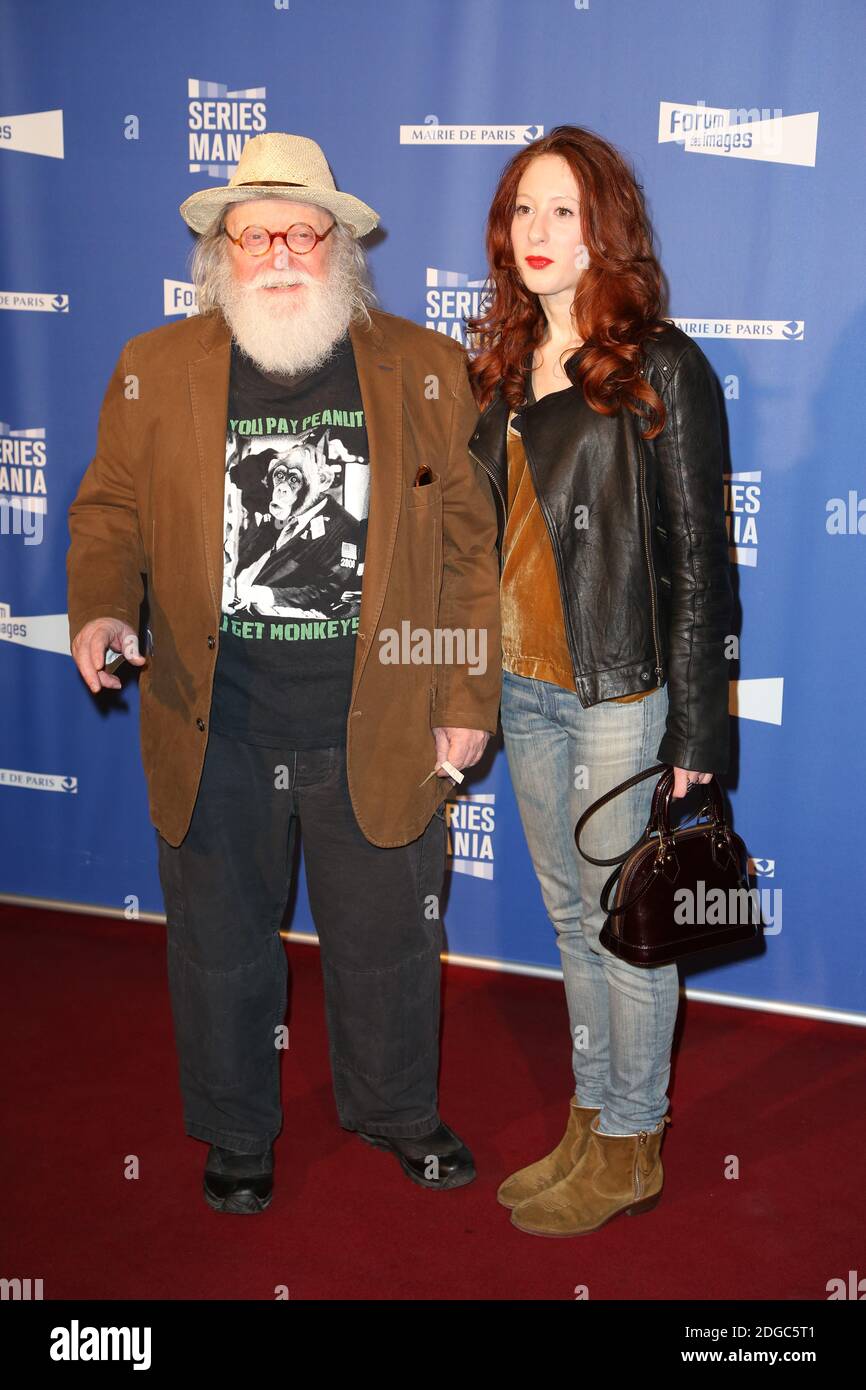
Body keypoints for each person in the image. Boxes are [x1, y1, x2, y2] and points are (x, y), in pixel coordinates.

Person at [66, 132, 501, 1213]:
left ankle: (396, 1108)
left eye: (301, 231)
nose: (278, 252)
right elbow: (109, 510)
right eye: (252, 231)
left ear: (339, 245)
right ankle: (235, 1126)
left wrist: (458, 695)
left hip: (381, 714)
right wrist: (104, 604)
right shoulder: (150, 366)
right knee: (218, 948)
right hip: (216, 720)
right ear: (218, 249)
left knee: (391, 942)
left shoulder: (424, 368)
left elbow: (463, 552)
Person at [466, 125, 734, 1237]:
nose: (537, 233)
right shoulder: (496, 365)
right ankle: (591, 1116)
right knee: (576, 924)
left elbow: (697, 558)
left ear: (605, 225)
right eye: (521, 210)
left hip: (621, 693)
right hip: (524, 691)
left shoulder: (660, 362)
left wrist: (696, 734)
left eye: (562, 210)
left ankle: (634, 1143)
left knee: (627, 928)